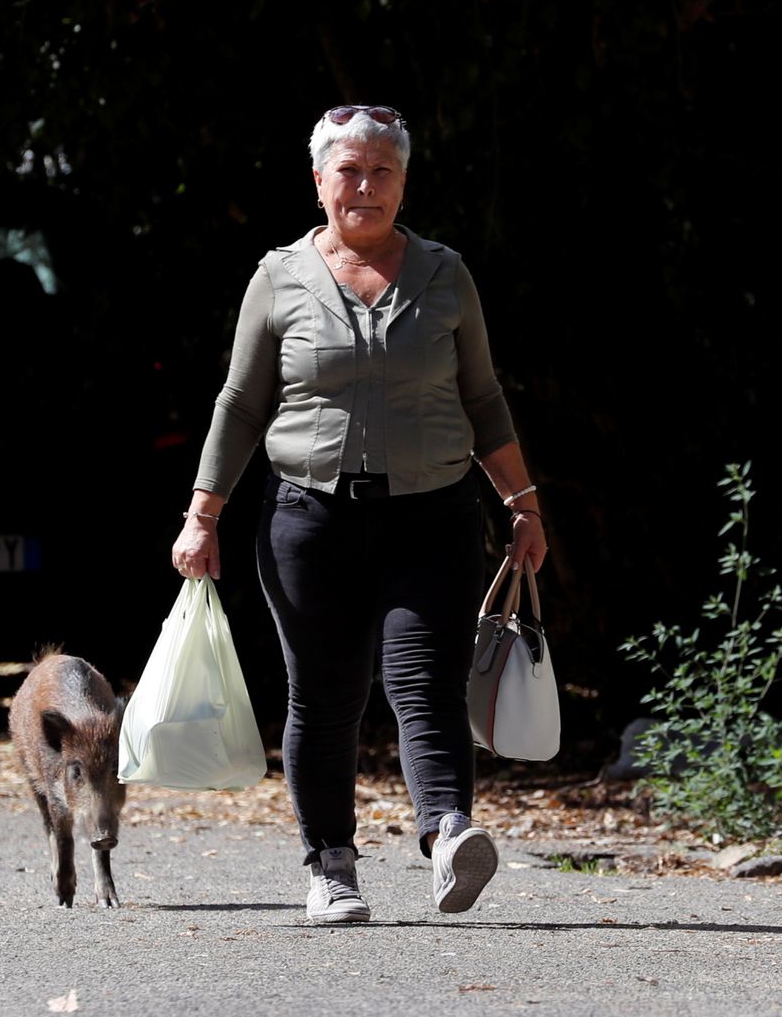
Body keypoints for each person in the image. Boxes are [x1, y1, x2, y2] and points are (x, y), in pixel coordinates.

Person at [168, 104, 548, 924]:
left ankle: (448, 836)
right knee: (325, 695)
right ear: (319, 182)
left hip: (433, 516)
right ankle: (331, 866)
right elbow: (240, 404)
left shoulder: (446, 275)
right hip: (309, 520)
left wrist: (521, 503)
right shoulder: (278, 276)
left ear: (404, 183)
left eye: (382, 171)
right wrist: (204, 514)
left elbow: (482, 397)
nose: (366, 185)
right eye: (350, 170)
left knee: (427, 686)